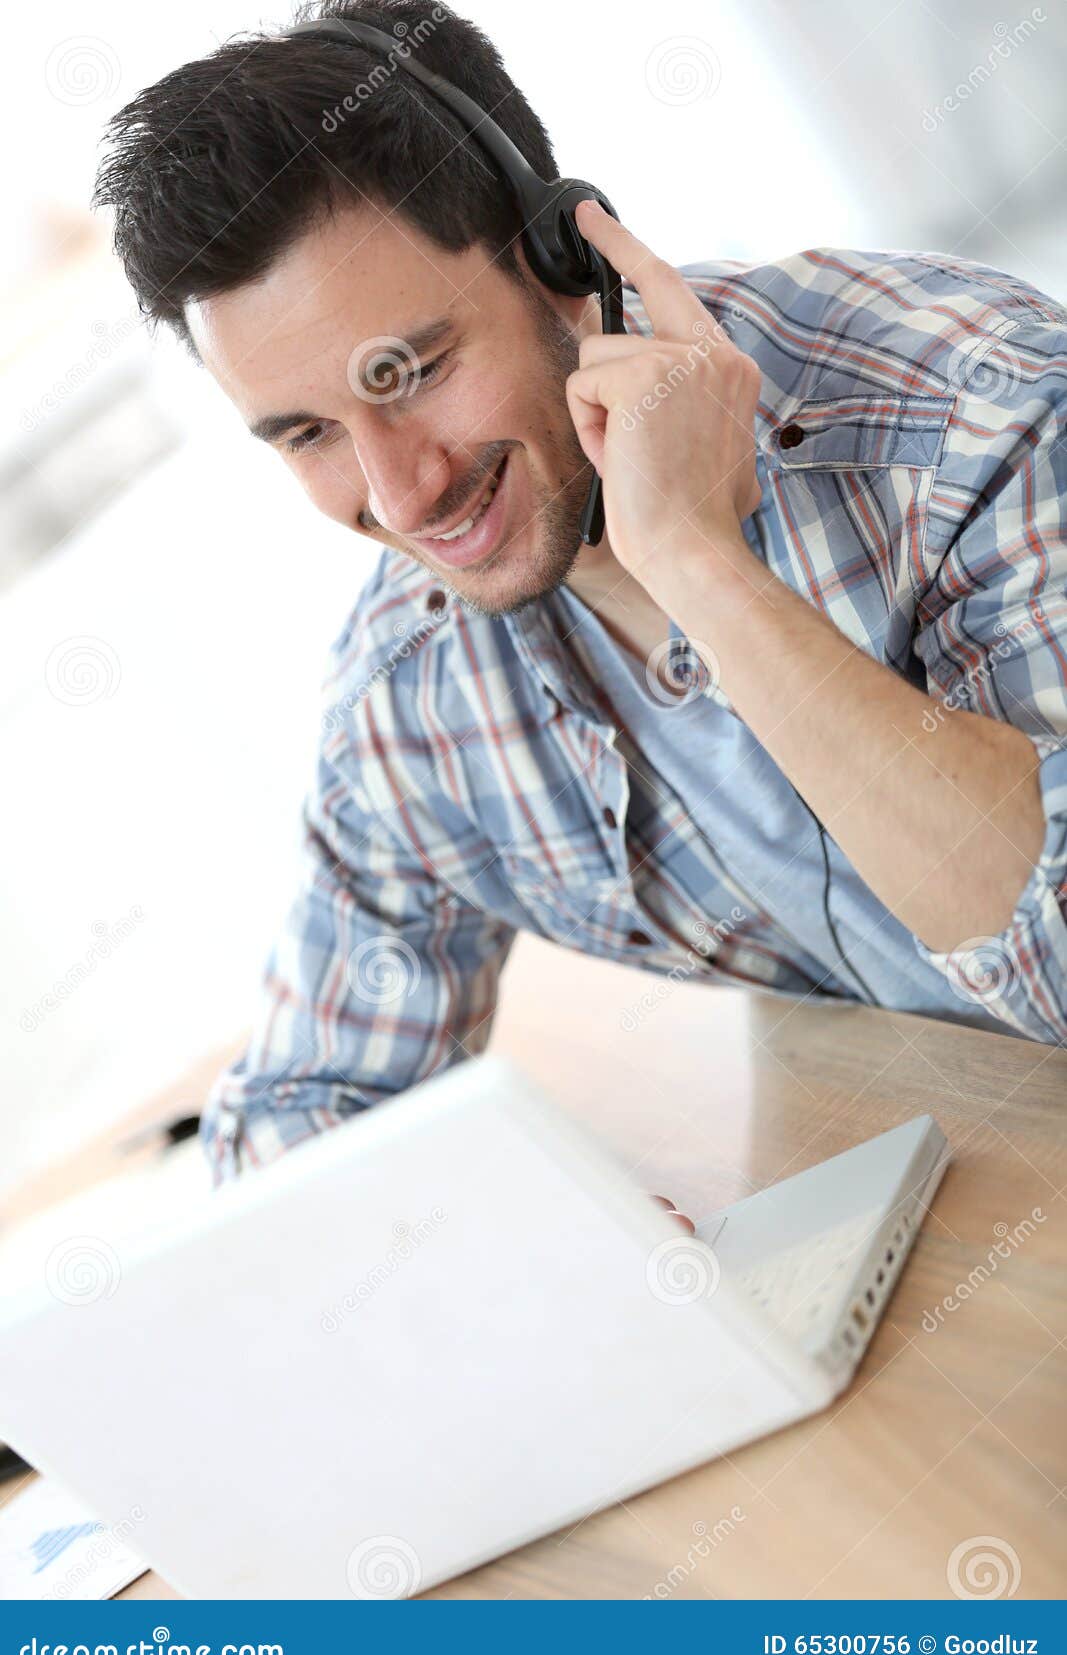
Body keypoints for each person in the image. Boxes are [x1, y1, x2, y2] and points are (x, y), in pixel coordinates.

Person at [92, 1, 1067, 1182]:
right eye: (308, 433)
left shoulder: (972, 410)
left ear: (566, 264)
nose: (400, 496)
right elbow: (303, 1118)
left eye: (409, 373)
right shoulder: (414, 685)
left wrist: (696, 560)